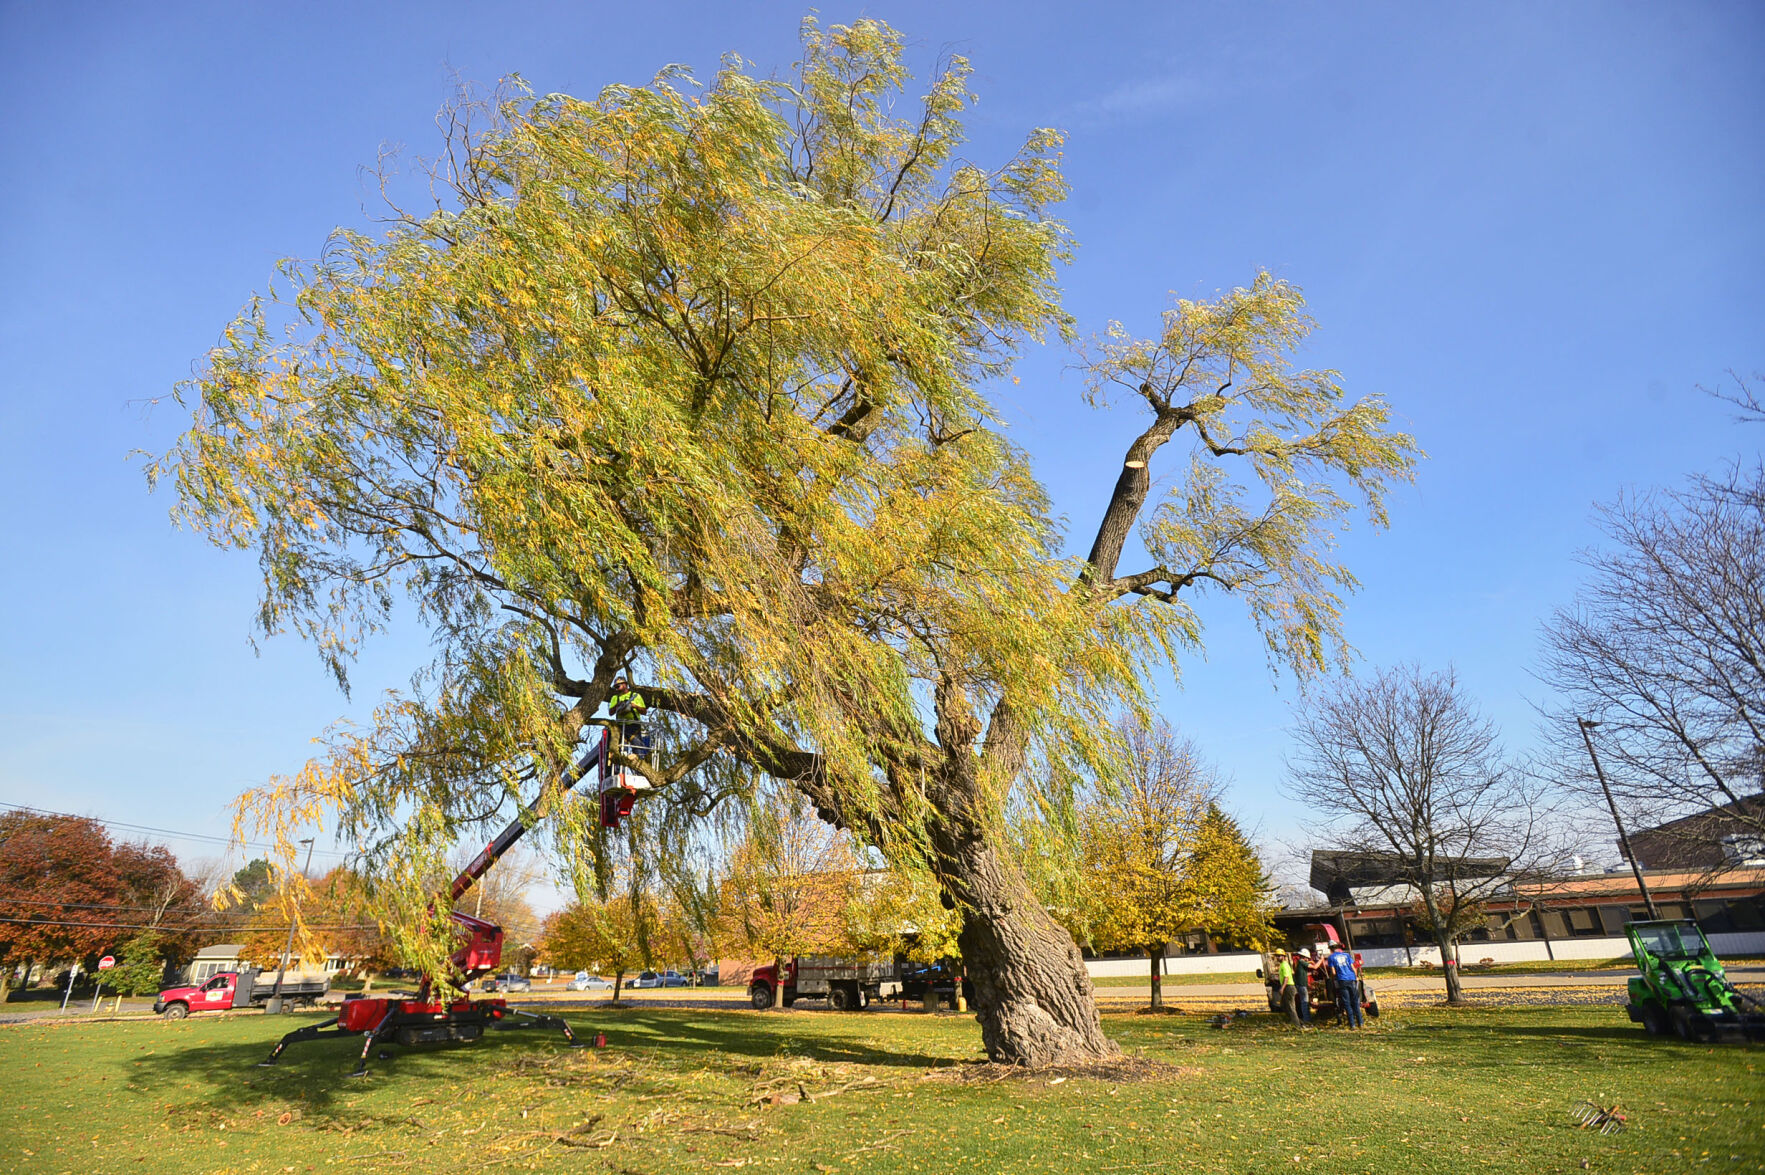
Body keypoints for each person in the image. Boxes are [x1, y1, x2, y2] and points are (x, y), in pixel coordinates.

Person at [607, 674, 651, 763]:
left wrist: (634, 706)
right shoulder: (615, 698)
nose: (617, 688)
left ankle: (641, 764)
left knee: (638, 746)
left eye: (618, 686)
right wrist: (617, 706)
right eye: (616, 687)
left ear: (625, 685)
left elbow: (644, 711)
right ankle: (619, 765)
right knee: (621, 748)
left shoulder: (635, 696)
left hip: (633, 725)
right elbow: (611, 713)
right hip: (620, 726)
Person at [1325, 942, 1363, 1029]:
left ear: (1330, 949)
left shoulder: (1331, 957)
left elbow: (1333, 972)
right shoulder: (1346, 955)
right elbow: (1353, 967)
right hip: (1351, 979)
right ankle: (1360, 1023)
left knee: (1347, 1002)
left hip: (1342, 980)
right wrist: (1355, 977)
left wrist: (1332, 979)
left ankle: (1352, 1024)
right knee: (1355, 1001)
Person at [1274, 950, 1301, 1028]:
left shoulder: (1285, 965)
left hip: (1288, 987)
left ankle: (1297, 1025)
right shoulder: (1282, 965)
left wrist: (1282, 988)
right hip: (1286, 986)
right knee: (1283, 1005)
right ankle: (1293, 1021)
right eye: (1277, 956)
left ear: (1284, 957)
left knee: (1290, 1007)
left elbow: (1286, 977)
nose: (1278, 957)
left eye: (1280, 956)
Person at [1295, 947, 1315, 1024]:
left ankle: (1306, 1018)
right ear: (1304, 957)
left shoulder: (1300, 963)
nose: (1307, 960)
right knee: (1305, 1002)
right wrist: (1321, 960)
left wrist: (1311, 973)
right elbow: (1315, 967)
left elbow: (1304, 974)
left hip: (1301, 985)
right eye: (1307, 958)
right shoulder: (1301, 961)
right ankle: (1307, 1020)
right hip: (1302, 986)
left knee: (1304, 1002)